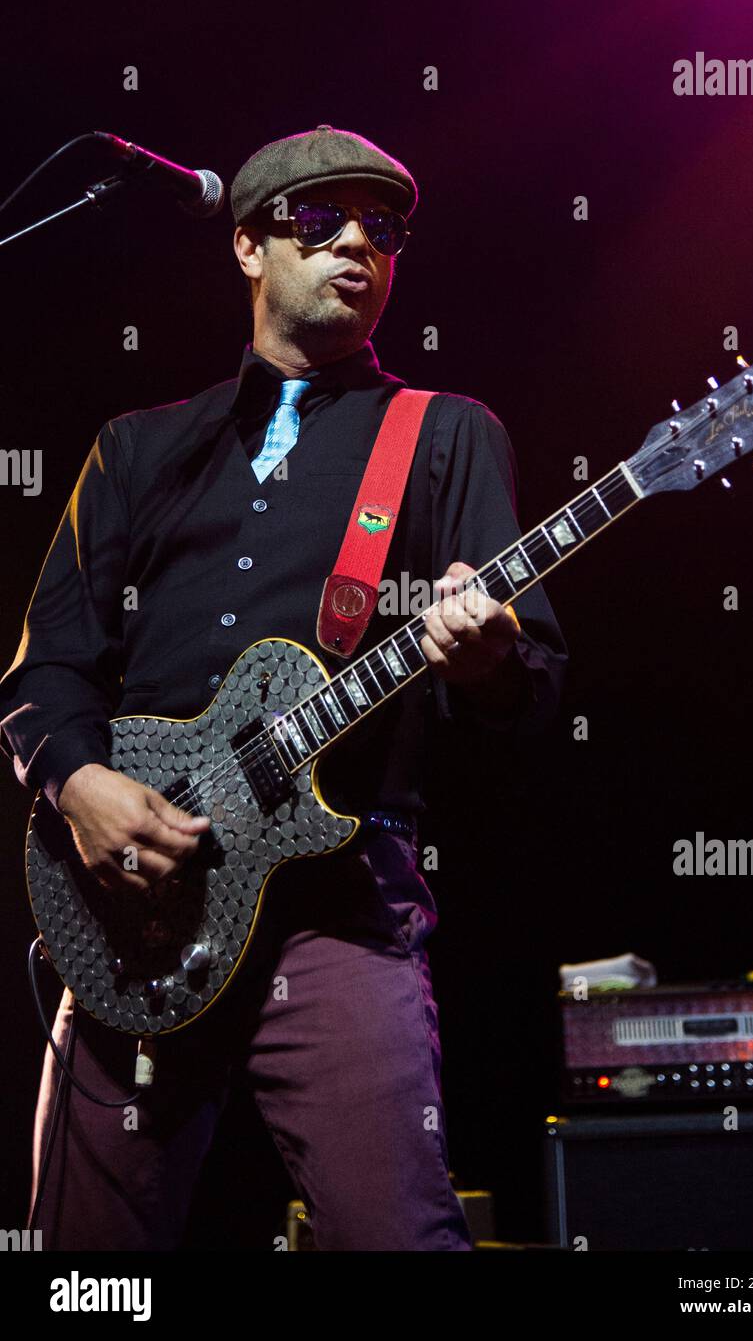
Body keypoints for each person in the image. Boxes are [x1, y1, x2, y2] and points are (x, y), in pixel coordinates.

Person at [0, 124, 568, 1251]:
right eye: (322, 220)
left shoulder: (445, 434)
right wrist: (79, 786)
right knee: (84, 1271)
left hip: (339, 908)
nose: (360, 242)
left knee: (399, 1237)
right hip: (135, 914)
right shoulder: (136, 446)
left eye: (384, 227)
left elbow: (528, 687)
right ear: (248, 247)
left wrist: (490, 649)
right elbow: (45, 665)